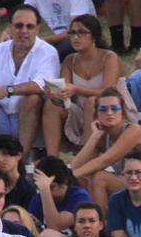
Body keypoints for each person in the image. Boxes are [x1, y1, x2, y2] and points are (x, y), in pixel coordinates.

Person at [0, 4, 58, 154]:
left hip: (30, 118)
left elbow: (41, 85)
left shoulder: (48, 52)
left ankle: (20, 160)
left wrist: (7, 91)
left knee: (33, 98)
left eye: (29, 26)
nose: (24, 31)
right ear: (10, 28)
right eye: (19, 26)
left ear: (37, 29)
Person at [44, 15, 123, 157]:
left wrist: (76, 89)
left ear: (94, 36)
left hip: (109, 110)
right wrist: (57, 93)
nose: (75, 37)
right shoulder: (69, 60)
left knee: (93, 101)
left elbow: (108, 92)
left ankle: (87, 159)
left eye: (81, 32)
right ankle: (52, 160)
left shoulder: (109, 57)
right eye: (72, 33)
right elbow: (66, 88)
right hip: (80, 112)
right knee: (52, 104)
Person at [70, 86, 141, 208]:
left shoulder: (134, 131)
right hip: (128, 182)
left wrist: (67, 177)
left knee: (99, 178)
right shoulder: (104, 136)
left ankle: (101, 223)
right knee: (81, 180)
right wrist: (94, 137)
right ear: (96, 115)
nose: (109, 113)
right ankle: (88, 220)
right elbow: (77, 167)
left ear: (123, 113)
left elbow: (105, 160)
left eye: (114, 108)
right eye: (103, 109)